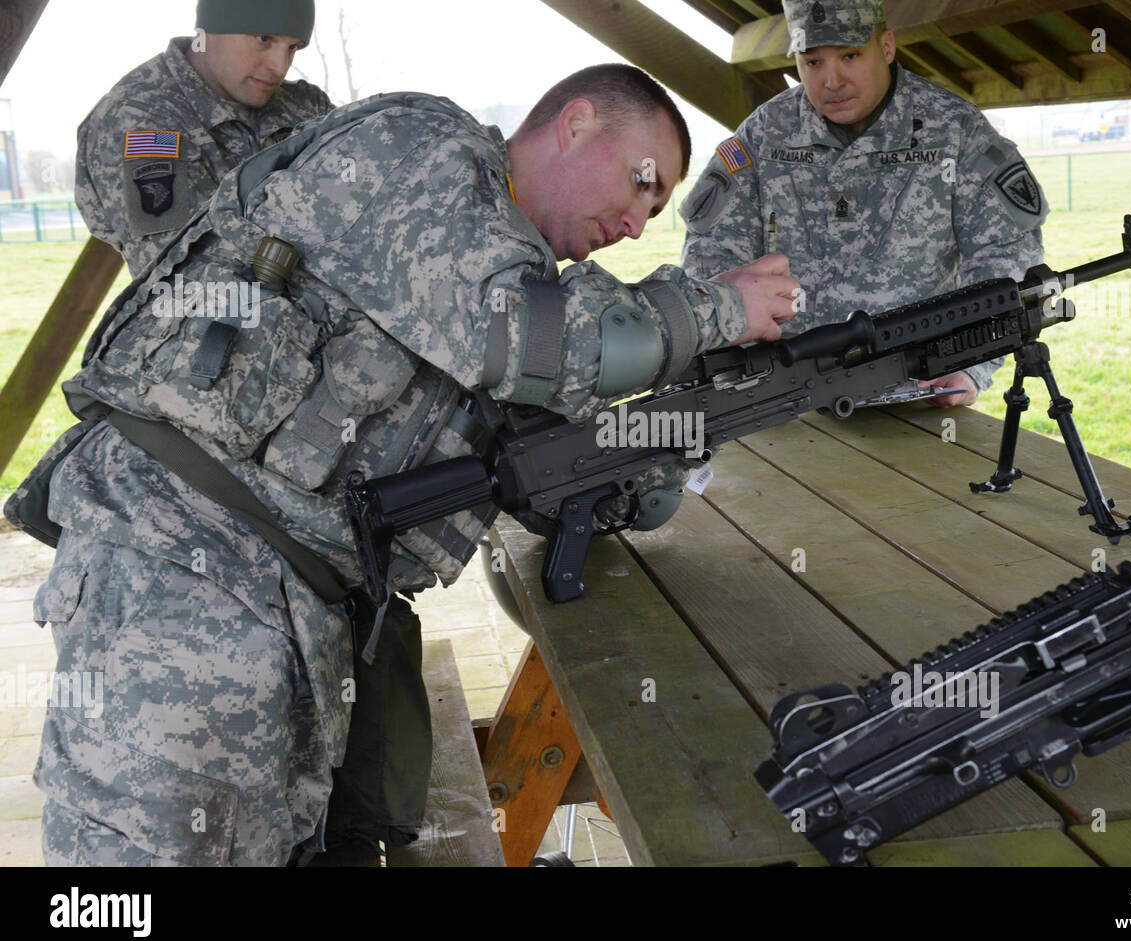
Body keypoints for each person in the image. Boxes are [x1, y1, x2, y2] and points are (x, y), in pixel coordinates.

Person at [8, 64, 799, 866]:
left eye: (656, 210)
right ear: (578, 120)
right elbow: (537, 342)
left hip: (282, 603)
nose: (636, 223)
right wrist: (720, 305)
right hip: (181, 572)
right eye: (641, 183)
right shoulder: (425, 149)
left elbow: (544, 464)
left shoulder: (503, 267)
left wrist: (701, 426)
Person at [680, 0, 1049, 406]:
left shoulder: (954, 129)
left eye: (850, 56)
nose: (831, 81)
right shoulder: (765, 134)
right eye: (812, 61)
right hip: (779, 393)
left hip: (914, 390)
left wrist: (970, 364)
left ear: (887, 47)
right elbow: (712, 256)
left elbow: (1008, 254)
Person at [75, 0, 331, 278]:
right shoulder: (141, 119)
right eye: (264, 39)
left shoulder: (307, 106)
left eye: (292, 47)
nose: (280, 66)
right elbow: (191, 272)